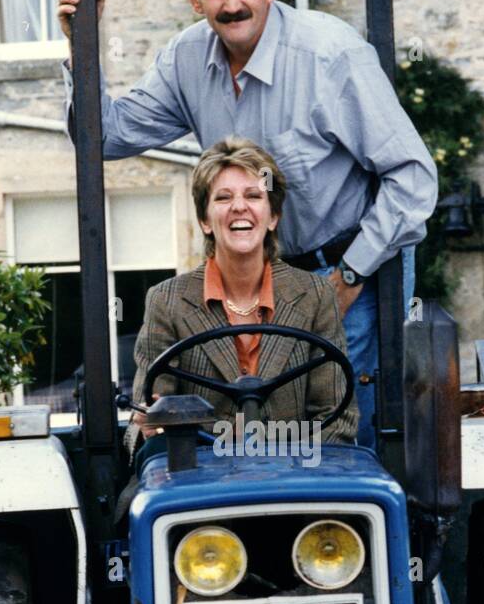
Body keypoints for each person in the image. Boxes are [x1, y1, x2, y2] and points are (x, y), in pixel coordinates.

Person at [57, 0, 437, 449]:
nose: (232, 4)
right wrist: (84, 46)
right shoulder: (187, 59)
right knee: (252, 434)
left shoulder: (331, 56)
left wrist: (349, 278)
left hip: (351, 266)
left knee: (344, 434)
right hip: (257, 280)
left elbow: (412, 177)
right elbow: (106, 136)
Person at [127, 135, 358, 463]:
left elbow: (337, 419)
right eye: (223, 197)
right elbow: (147, 421)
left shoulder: (315, 296)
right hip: (200, 488)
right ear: (205, 221)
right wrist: (150, 426)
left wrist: (276, 468)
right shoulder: (167, 301)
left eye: (254, 195)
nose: (239, 206)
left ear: (273, 217)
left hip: (294, 484)